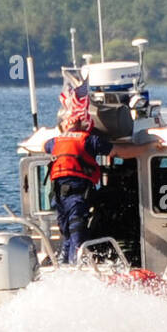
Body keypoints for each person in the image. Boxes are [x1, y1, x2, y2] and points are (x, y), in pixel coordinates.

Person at [45, 111, 112, 264]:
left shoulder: (90, 141)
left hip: (76, 198)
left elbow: (121, 152)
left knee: (76, 234)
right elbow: (46, 145)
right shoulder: (55, 143)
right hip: (65, 199)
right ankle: (69, 268)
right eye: (69, 119)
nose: (74, 120)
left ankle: (71, 266)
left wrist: (149, 146)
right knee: (70, 234)